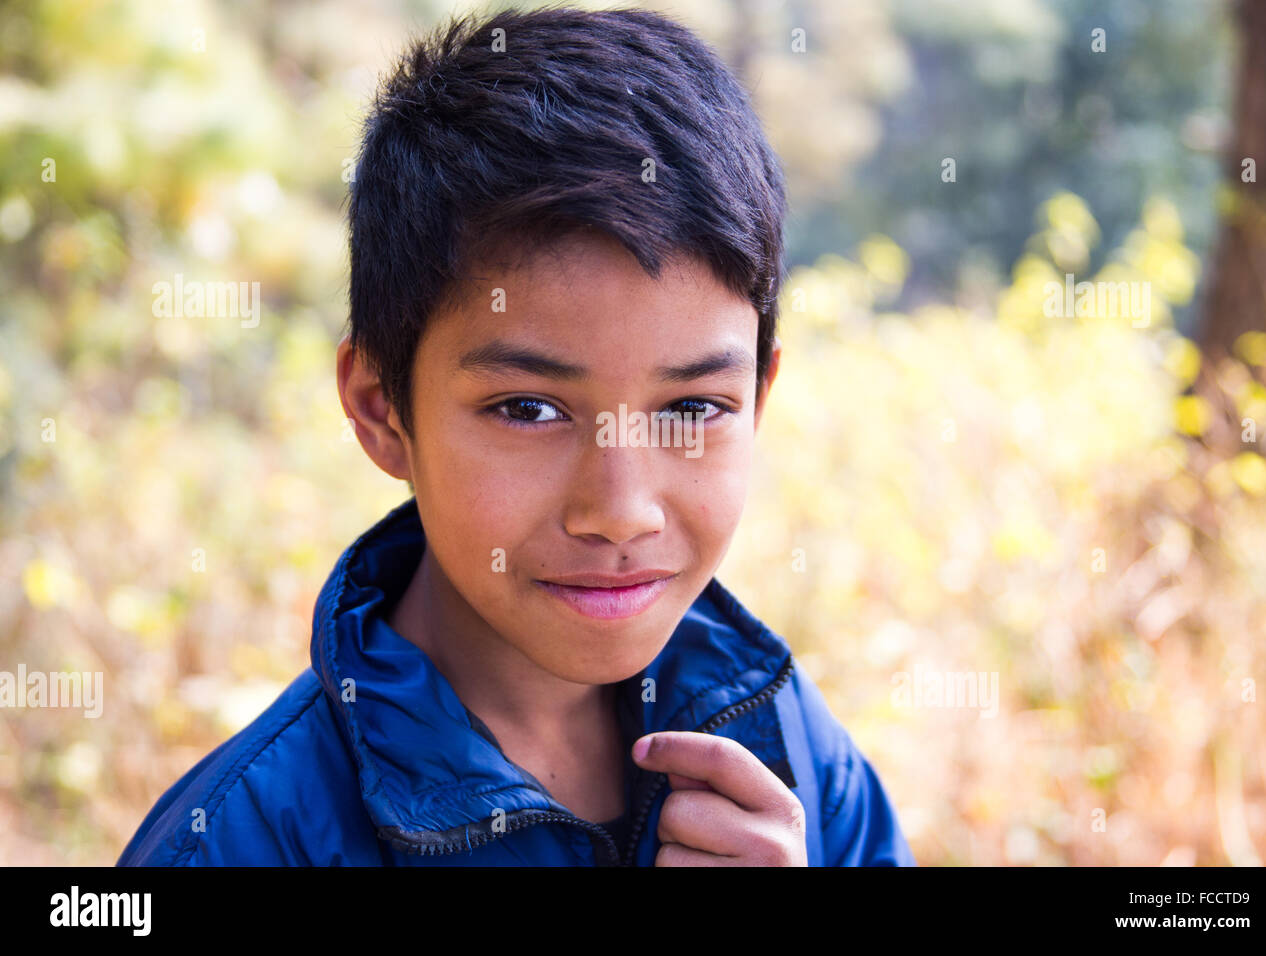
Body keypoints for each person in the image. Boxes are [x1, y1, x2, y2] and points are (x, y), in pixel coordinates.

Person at [118, 5, 914, 866]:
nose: (621, 510)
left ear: (757, 398)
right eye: (529, 409)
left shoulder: (796, 764)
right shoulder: (239, 843)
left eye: (691, 410)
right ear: (383, 408)